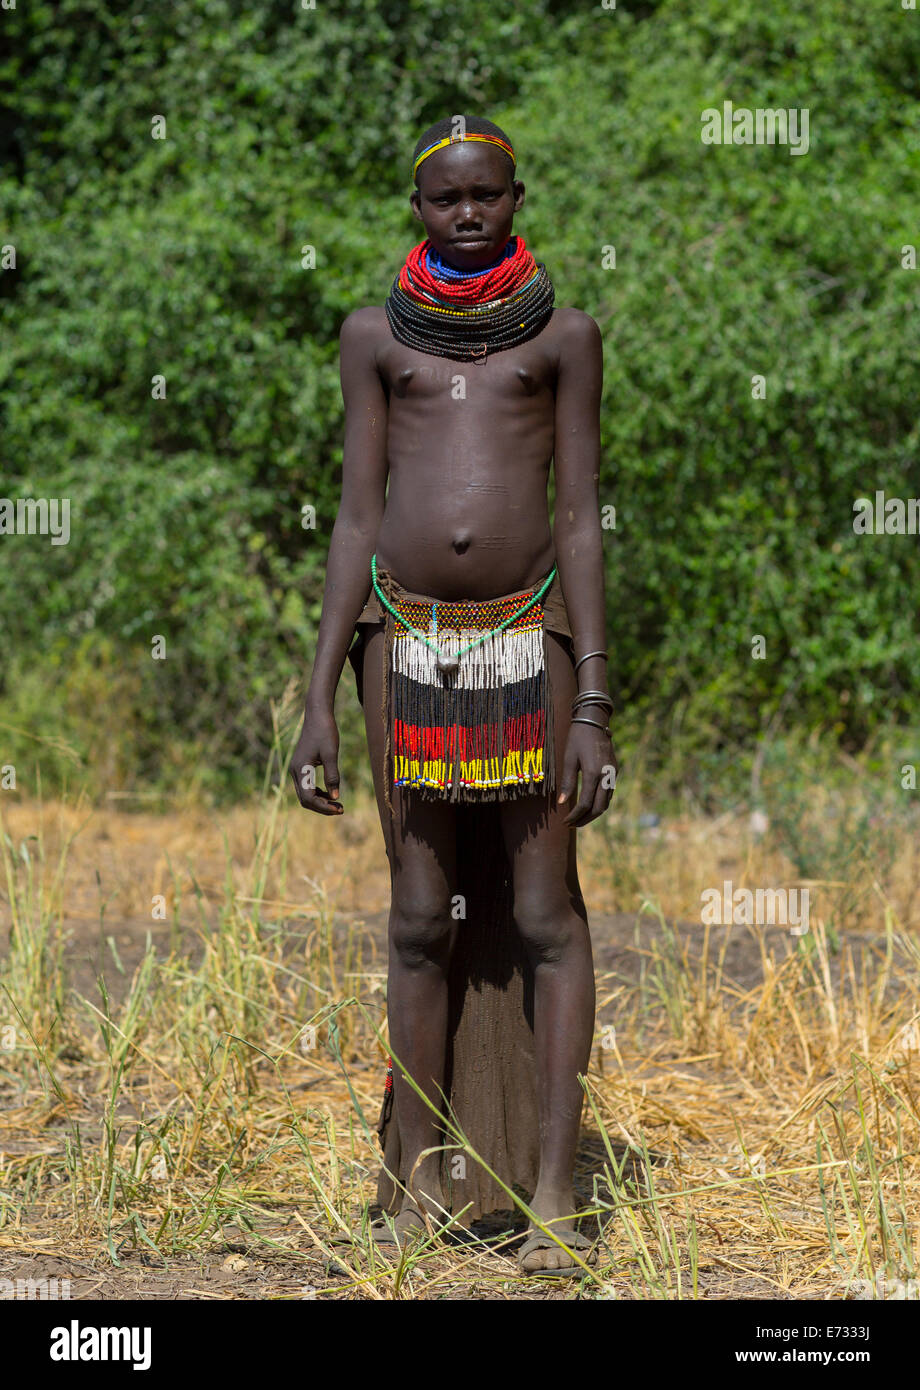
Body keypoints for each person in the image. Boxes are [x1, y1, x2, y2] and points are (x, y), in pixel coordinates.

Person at [291, 114, 616, 1275]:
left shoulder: (562, 338)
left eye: (486, 196)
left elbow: (577, 517)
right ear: (416, 210)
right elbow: (356, 517)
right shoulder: (374, 337)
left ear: (517, 198)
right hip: (406, 646)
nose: (466, 215)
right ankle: (416, 1177)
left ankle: (552, 1193)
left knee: (541, 914)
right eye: (444, 200)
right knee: (419, 919)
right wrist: (320, 692)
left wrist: (594, 701)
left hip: (530, 643)